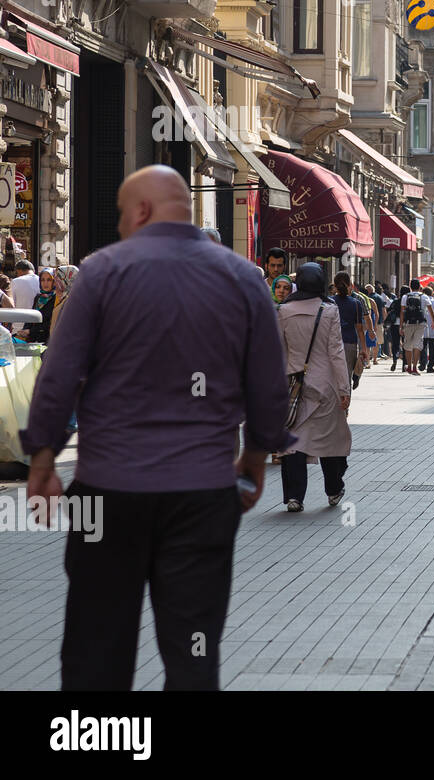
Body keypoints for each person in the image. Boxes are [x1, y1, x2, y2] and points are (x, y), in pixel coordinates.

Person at [21, 164, 289, 690]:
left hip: (108, 492)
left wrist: (42, 460)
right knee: (192, 649)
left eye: (123, 214)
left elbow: (60, 375)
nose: (122, 224)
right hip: (204, 493)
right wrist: (255, 459)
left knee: (96, 646)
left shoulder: (101, 274)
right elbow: (268, 387)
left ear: (141, 211)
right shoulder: (242, 279)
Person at [278, 263, 351, 513]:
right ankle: (333, 489)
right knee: (329, 440)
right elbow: (336, 351)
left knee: (294, 441)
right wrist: (345, 388)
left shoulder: (284, 310)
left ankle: (294, 496)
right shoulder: (329, 311)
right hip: (325, 385)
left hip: (293, 385)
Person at [332, 272, 366, 389]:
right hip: (349, 344)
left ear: (334, 286)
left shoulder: (329, 302)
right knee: (346, 376)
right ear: (349, 285)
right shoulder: (356, 303)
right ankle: (345, 404)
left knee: (331, 377)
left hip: (331, 344)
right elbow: (360, 329)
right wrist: (364, 349)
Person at [20, 269, 56, 343]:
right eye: (42, 280)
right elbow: (32, 316)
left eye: (49, 280)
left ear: (54, 282)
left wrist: (31, 331)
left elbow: (51, 322)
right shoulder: (38, 297)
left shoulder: (56, 298)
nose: (45, 283)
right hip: (34, 339)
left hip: (48, 340)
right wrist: (25, 330)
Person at [419, 286, 434, 372]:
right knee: (433, 348)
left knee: (423, 347)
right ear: (432, 293)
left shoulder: (421, 301)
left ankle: (422, 363)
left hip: (423, 327)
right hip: (433, 328)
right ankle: (430, 366)